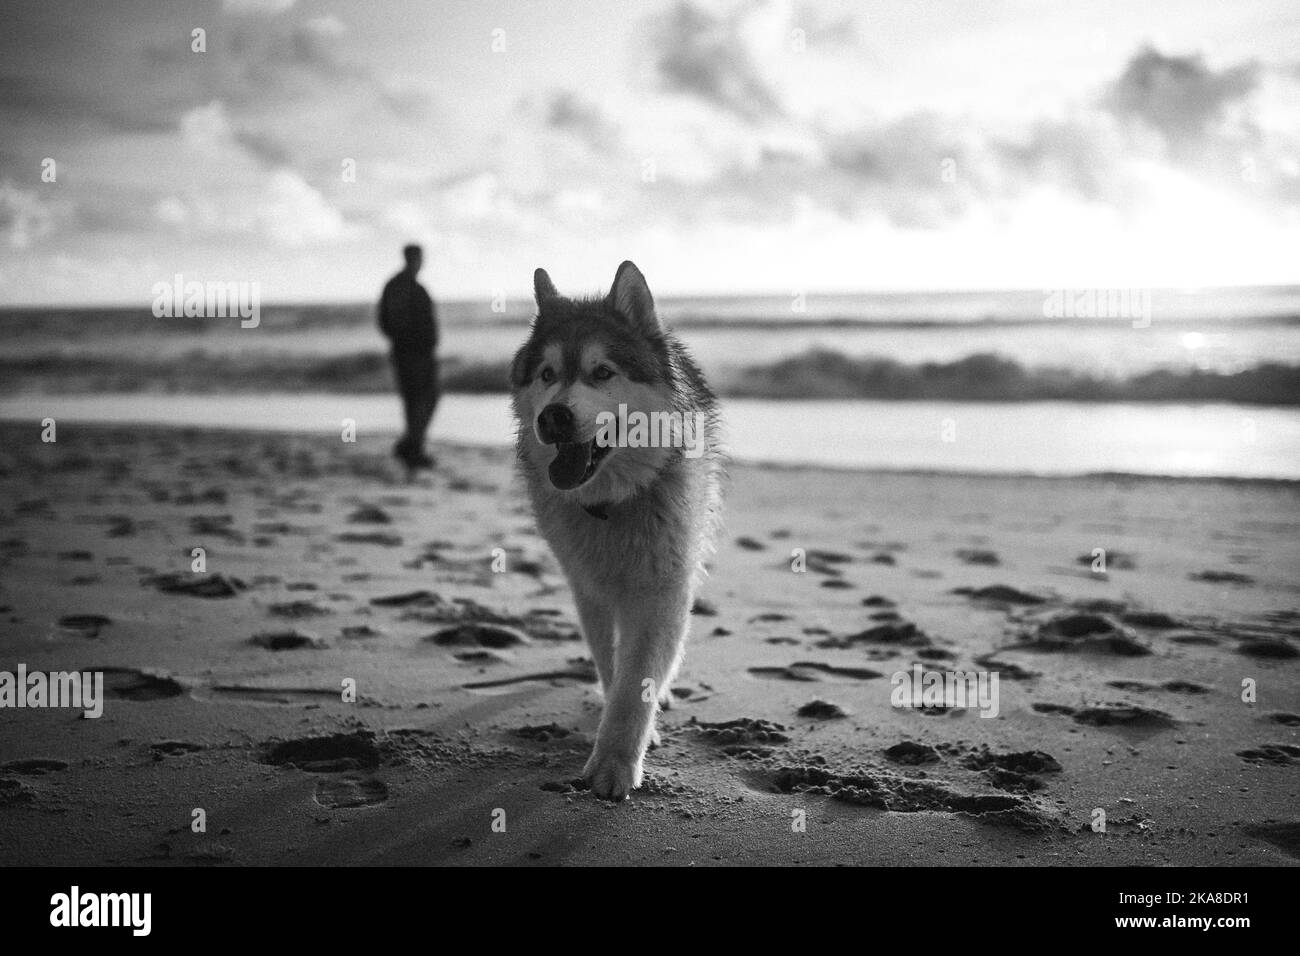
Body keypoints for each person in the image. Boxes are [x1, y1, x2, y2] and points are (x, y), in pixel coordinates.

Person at [378, 244, 439, 469]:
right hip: (413, 354)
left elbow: (384, 320)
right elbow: (389, 321)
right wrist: (410, 342)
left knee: (420, 400)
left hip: (415, 353)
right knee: (420, 401)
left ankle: (410, 445)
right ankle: (413, 448)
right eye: (419, 258)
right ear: (412, 259)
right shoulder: (401, 287)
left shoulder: (405, 286)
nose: (421, 262)